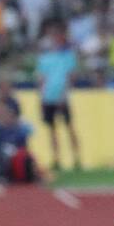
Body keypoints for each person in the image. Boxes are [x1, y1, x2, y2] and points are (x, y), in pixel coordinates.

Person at [35, 24, 82, 171]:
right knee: (52, 129)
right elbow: (41, 80)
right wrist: (42, 98)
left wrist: (64, 93)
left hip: (62, 96)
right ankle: (56, 158)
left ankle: (76, 158)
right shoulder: (43, 58)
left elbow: (71, 77)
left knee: (69, 127)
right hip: (49, 97)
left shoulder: (68, 56)